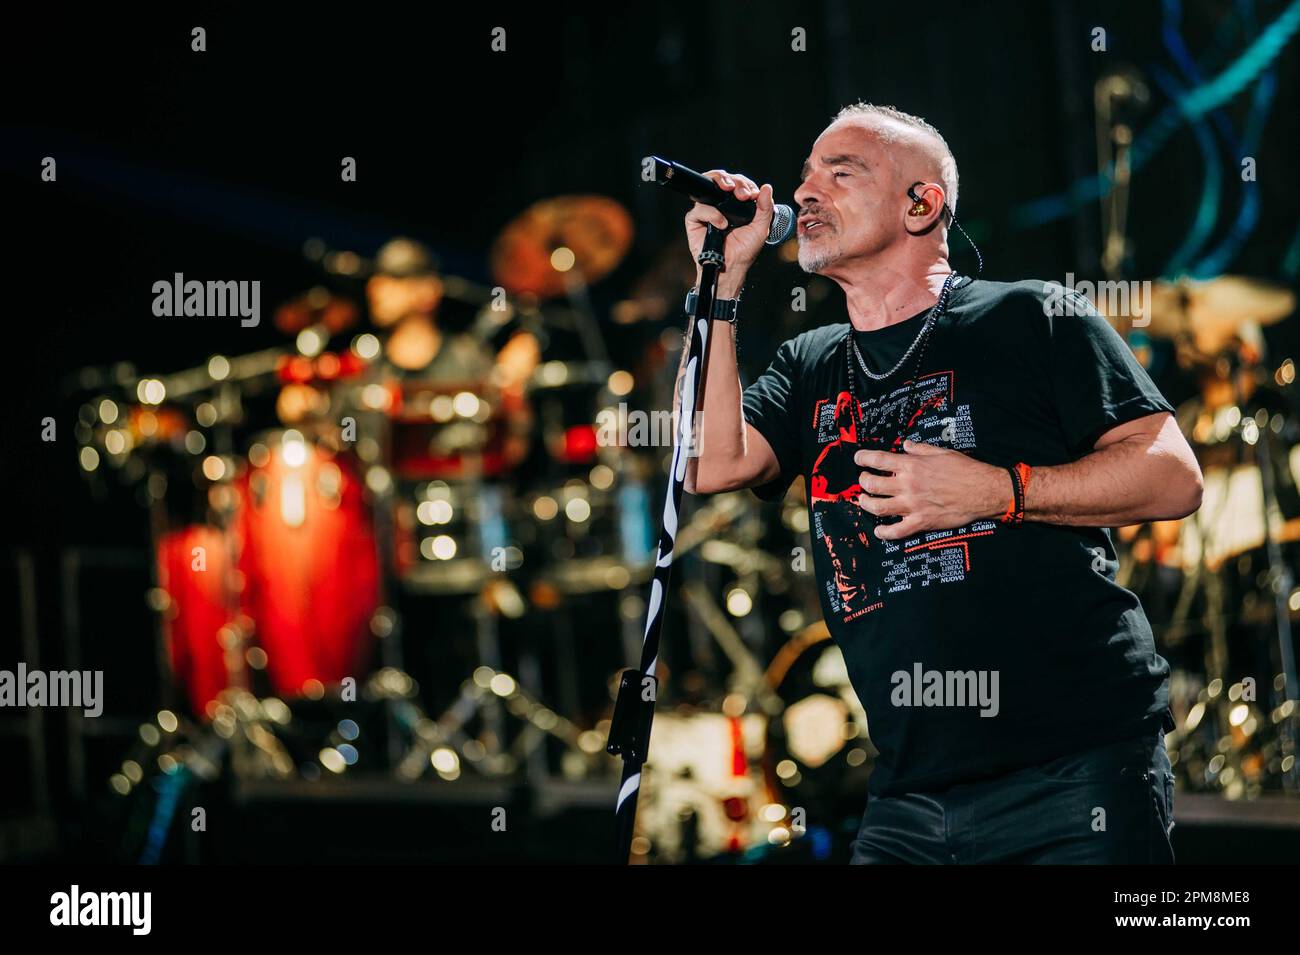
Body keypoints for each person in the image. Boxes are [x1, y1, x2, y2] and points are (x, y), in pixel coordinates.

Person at [679, 103, 1204, 864]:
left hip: (1071, 769)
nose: (806, 192)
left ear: (922, 204)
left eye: (841, 172)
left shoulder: (1032, 317)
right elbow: (705, 461)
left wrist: (999, 490)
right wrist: (718, 281)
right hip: (905, 795)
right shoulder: (809, 364)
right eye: (805, 176)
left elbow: (1173, 475)